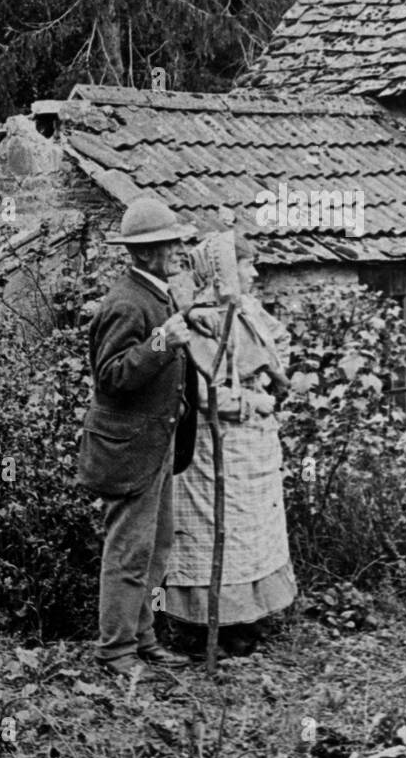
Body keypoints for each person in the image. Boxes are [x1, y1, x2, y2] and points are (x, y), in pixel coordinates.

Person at [76, 196, 199, 675]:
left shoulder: (157, 293)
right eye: (169, 245)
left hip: (157, 443)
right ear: (146, 253)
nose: (177, 251)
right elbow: (110, 376)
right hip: (130, 448)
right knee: (128, 550)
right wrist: (160, 342)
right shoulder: (127, 302)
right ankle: (115, 650)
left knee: (155, 547)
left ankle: (142, 637)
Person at [162, 231, 297, 657]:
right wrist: (252, 400)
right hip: (211, 446)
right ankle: (202, 628)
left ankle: (245, 620)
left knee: (252, 531)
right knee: (212, 530)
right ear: (223, 271)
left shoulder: (247, 312)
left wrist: (269, 383)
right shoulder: (199, 321)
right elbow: (204, 395)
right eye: (246, 265)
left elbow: (276, 352)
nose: (254, 272)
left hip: (253, 445)